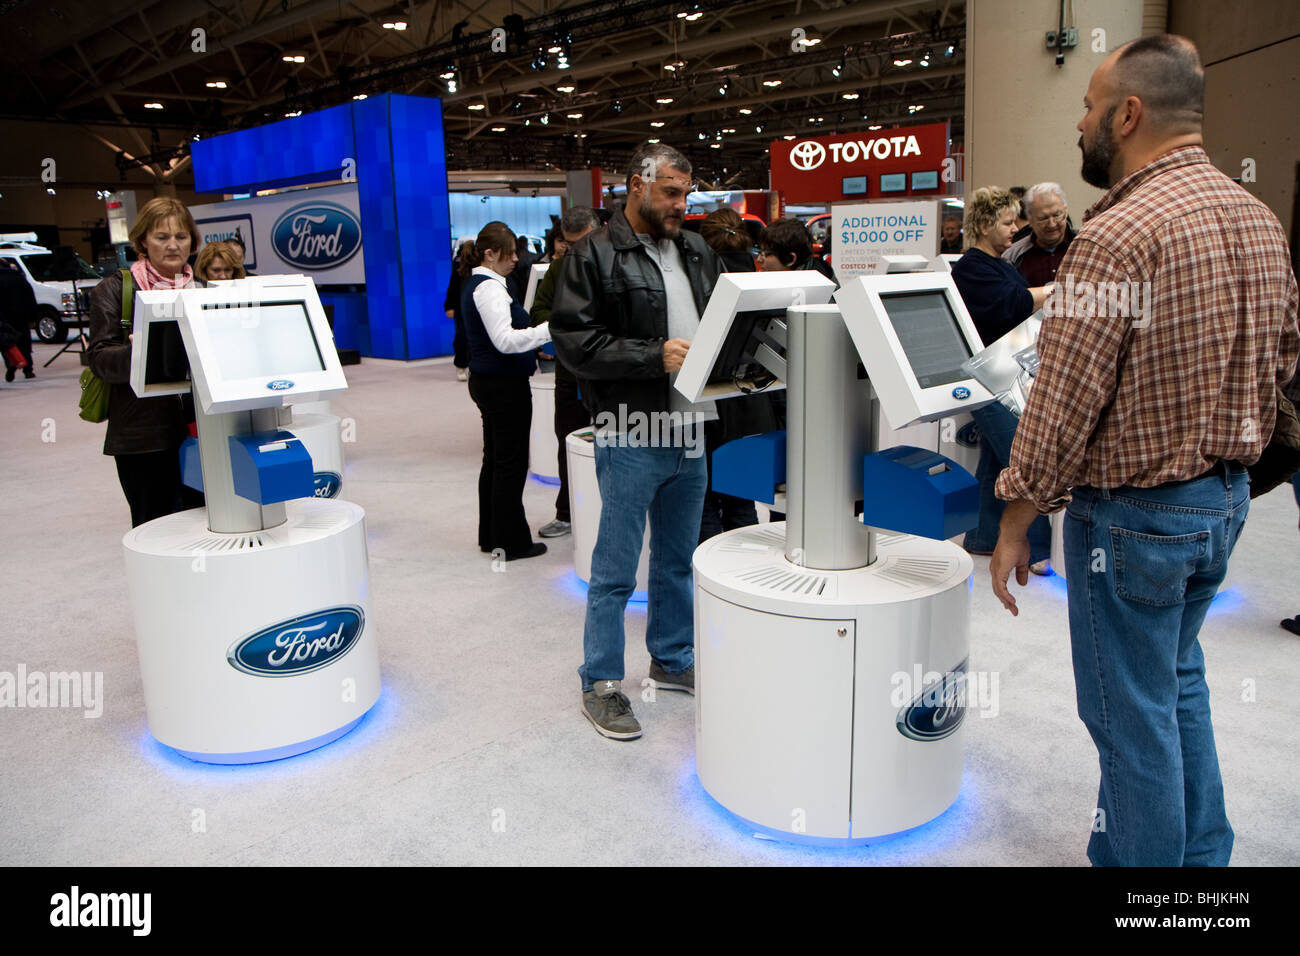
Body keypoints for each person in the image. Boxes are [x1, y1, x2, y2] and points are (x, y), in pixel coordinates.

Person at [990, 35, 1299, 866]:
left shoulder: (1118, 234)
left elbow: (1061, 403)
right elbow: (1285, 359)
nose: (1080, 123)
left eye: (1088, 106)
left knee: (1129, 719)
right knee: (1174, 685)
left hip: (1133, 522)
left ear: (1128, 113)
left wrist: (1017, 516)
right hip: (1222, 504)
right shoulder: (1258, 218)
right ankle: (1201, 865)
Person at [551, 141, 723, 739]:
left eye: (686, 192)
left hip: (691, 427)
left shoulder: (697, 250)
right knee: (616, 568)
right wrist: (653, 356)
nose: (681, 203)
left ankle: (672, 658)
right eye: (671, 191)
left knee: (678, 560)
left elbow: (721, 322)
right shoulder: (593, 255)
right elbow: (574, 344)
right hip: (629, 430)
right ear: (636, 184)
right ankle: (599, 682)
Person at [951, 186, 1054, 574]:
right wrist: (1049, 292)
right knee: (1023, 456)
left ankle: (980, 535)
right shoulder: (972, 269)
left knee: (996, 461)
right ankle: (1039, 549)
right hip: (989, 378)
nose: (1015, 228)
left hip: (1008, 373)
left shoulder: (1001, 264)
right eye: (1008, 222)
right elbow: (1012, 305)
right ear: (984, 224)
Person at [86, 197, 207, 528]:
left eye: (181, 237)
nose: (172, 245)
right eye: (161, 237)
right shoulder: (115, 290)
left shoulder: (204, 289)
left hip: (203, 433)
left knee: (205, 525)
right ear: (142, 241)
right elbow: (99, 360)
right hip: (144, 437)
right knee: (155, 528)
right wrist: (141, 352)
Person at [461, 221, 552, 561]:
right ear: (490, 253)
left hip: (491, 382)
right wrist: (546, 332)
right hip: (502, 385)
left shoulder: (484, 283)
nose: (516, 258)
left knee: (497, 461)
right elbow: (505, 341)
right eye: (510, 252)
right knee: (510, 464)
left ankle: (493, 537)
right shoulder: (489, 289)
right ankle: (511, 543)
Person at [696, 208, 773, 541]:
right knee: (742, 500)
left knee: (705, 502)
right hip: (754, 405)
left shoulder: (704, 283)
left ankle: (710, 585)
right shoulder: (761, 280)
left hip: (711, 407)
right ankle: (743, 582)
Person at [529, 205, 600, 538]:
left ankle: (606, 514)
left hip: (611, 378)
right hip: (570, 377)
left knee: (616, 446)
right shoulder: (558, 271)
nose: (574, 251)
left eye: (581, 242)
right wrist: (568, 328)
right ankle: (567, 513)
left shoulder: (618, 266)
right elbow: (539, 310)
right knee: (568, 444)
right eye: (569, 245)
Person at [1003, 182, 1077, 286]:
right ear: (1030, 220)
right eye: (1043, 218)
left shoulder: (1085, 246)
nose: (1052, 224)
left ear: (1066, 211)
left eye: (1057, 215)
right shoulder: (1013, 257)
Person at [757, 218, 835, 282]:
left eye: (764, 254)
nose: (759, 259)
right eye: (760, 252)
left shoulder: (822, 289)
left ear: (790, 259)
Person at [0, 258, 37, 381]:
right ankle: (28, 370)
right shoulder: (20, 278)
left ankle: (11, 363)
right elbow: (31, 298)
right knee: (25, 342)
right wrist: (32, 317)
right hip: (23, 315)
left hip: (5, 317)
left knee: (7, 343)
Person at [444, 240, 474, 381]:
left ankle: (468, 366)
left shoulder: (476, 270)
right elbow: (453, 290)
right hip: (462, 310)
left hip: (470, 310)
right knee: (462, 338)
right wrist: (449, 306)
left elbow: (451, 290)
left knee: (468, 339)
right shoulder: (458, 270)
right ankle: (462, 365)